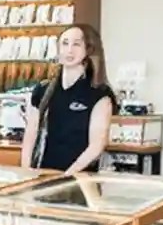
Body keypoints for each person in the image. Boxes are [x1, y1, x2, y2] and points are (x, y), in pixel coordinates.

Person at [20, 23, 116, 173]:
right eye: (65, 43)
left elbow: (97, 146)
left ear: (89, 49)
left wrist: (67, 176)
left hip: (80, 182)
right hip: (42, 178)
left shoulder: (99, 94)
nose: (69, 50)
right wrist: (26, 171)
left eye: (76, 44)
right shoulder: (43, 90)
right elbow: (30, 135)